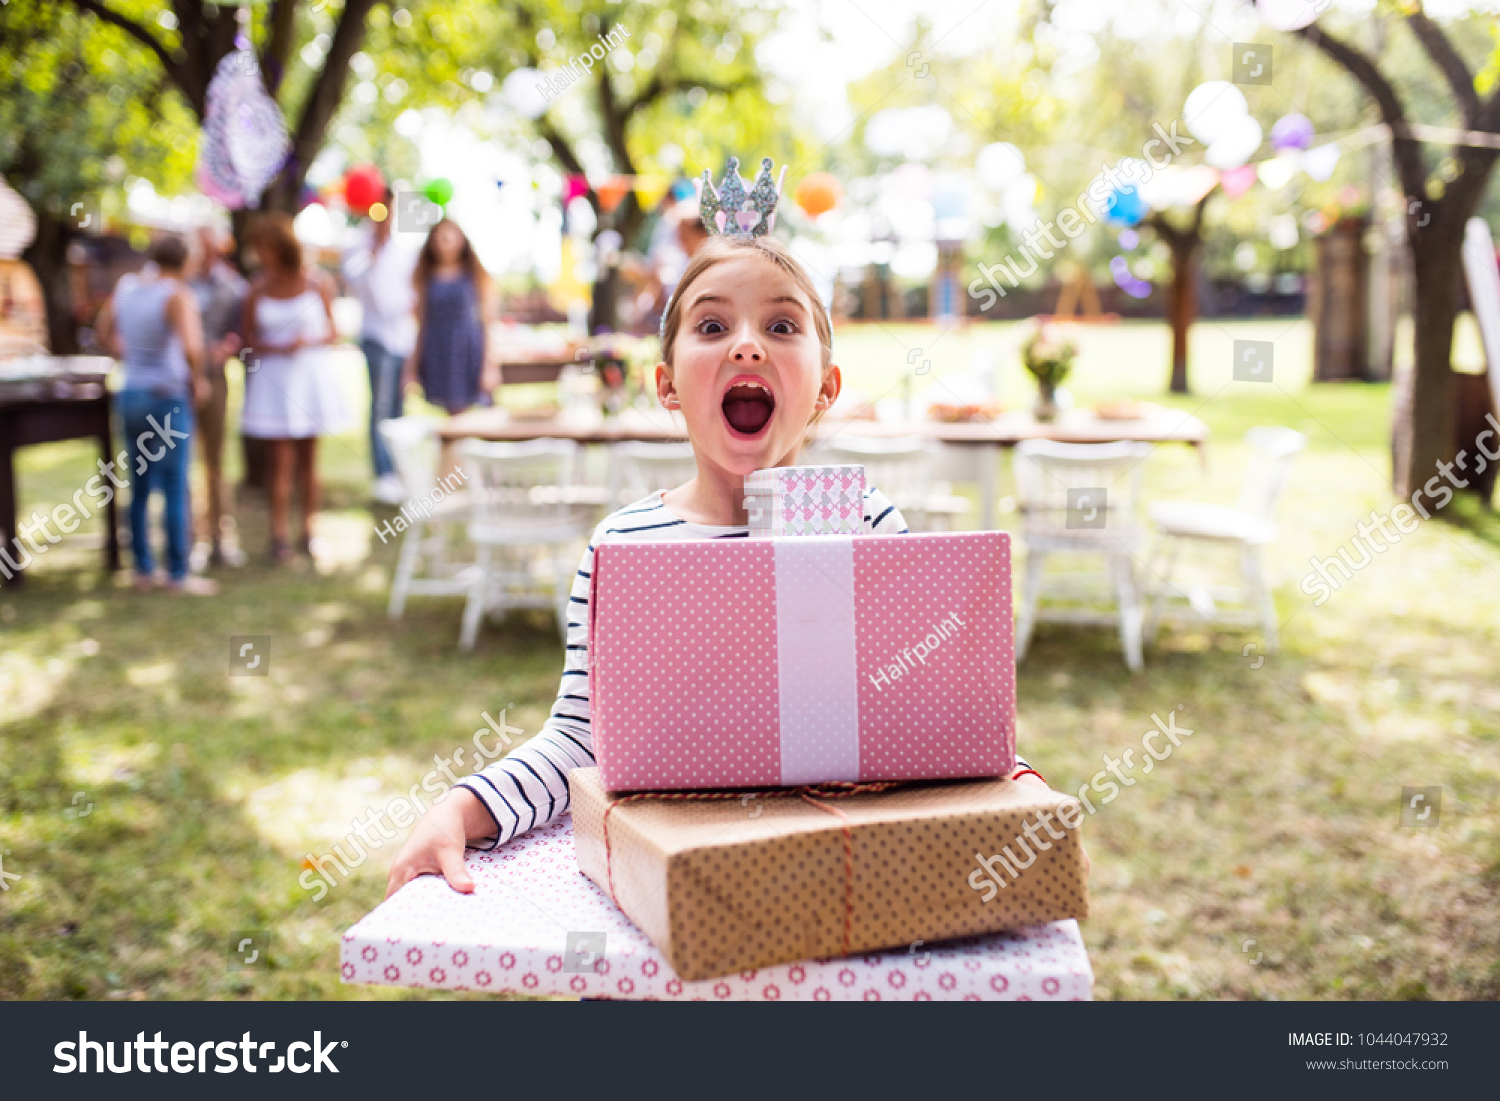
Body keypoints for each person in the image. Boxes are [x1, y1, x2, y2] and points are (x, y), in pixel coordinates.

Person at [385, 232, 1050, 898]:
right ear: (668, 385)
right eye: (711, 324)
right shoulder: (624, 545)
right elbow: (582, 741)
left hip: (836, 876)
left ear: (827, 386)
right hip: (677, 880)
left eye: (783, 324)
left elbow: (932, 718)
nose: (747, 344)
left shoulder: (864, 522)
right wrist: (461, 809)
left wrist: (1016, 783)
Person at [95, 235, 218, 595]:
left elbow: (104, 331)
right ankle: (178, 573)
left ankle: (143, 569)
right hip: (166, 396)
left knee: (140, 485)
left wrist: (132, 357)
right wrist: (197, 380)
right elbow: (192, 347)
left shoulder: (128, 287)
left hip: (131, 393)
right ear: (185, 261)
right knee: (176, 485)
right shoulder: (177, 294)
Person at [240, 213, 350, 564]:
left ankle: (308, 530)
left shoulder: (317, 283)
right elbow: (247, 339)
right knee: (280, 463)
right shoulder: (257, 287)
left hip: (309, 380)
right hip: (275, 382)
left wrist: (309, 340)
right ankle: (279, 537)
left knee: (309, 462)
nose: (261, 255)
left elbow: (335, 332)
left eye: (265, 247)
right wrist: (276, 347)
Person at [341, 189, 417, 506]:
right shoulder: (357, 245)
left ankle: (400, 471)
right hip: (376, 336)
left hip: (402, 337)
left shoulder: (405, 247)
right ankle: (383, 474)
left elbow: (410, 293)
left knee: (399, 406)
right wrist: (371, 253)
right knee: (381, 406)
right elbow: (352, 284)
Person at [186, 225, 248, 566]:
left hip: (215, 377)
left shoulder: (233, 286)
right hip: (181, 379)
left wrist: (229, 345)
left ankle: (222, 536)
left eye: (211, 246)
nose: (206, 253)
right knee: (185, 462)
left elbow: (241, 329)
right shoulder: (178, 283)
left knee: (215, 459)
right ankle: (194, 538)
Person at [402, 218, 498, 416]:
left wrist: (490, 366)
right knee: (451, 411)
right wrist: (411, 368)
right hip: (437, 348)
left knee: (471, 411)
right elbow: (420, 323)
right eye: (439, 238)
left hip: (466, 349)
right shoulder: (425, 276)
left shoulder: (474, 274)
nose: (444, 243)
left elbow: (488, 321)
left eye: (448, 237)